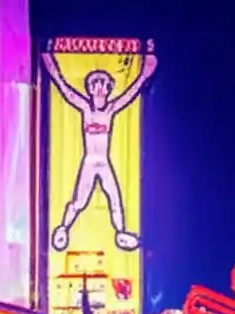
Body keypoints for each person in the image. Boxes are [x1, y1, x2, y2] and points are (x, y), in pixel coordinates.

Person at [43, 50, 157, 253]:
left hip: (103, 162)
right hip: (89, 161)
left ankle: (121, 232)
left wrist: (144, 75)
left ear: (108, 88)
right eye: (96, 85)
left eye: (103, 85)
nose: (100, 89)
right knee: (79, 201)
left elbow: (129, 95)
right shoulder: (86, 109)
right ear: (90, 88)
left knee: (114, 197)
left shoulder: (111, 109)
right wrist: (49, 62)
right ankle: (63, 229)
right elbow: (64, 88)